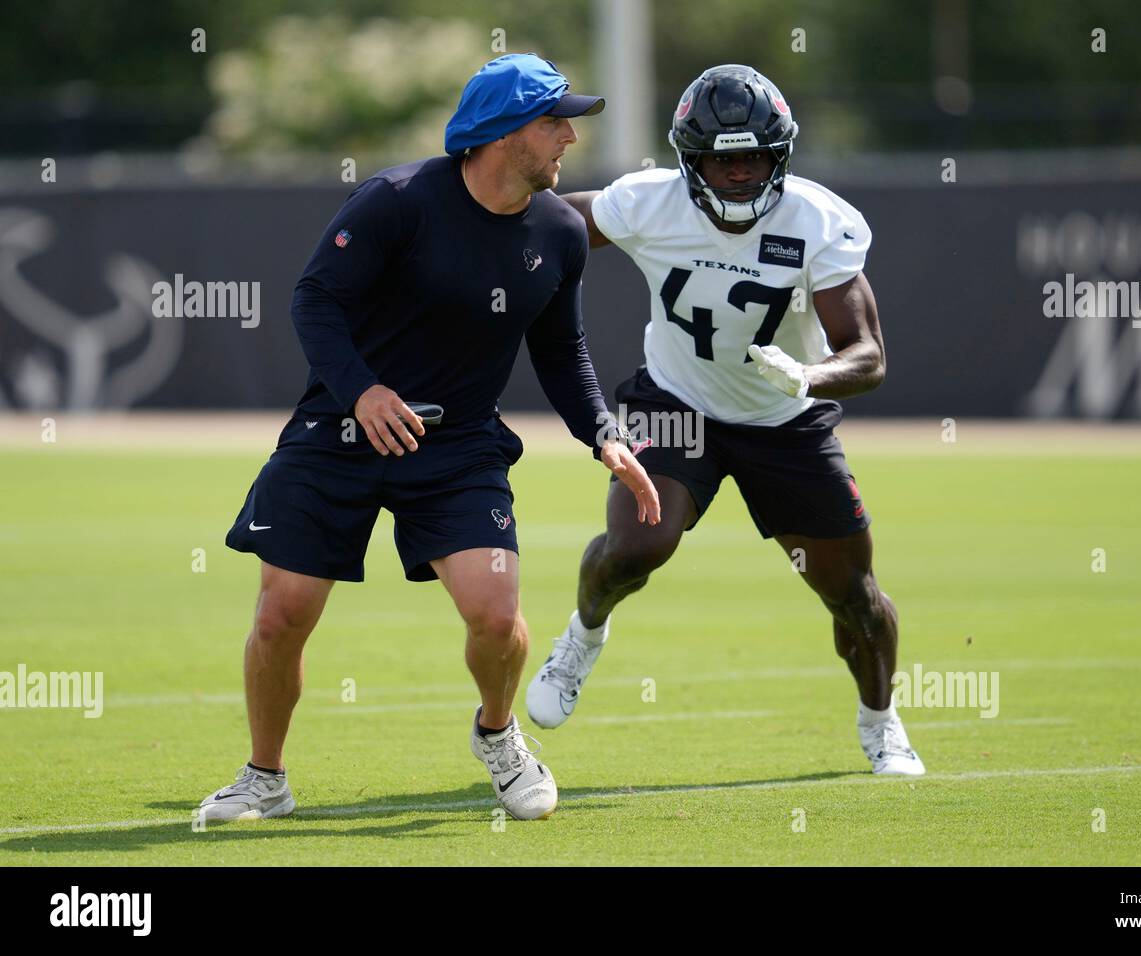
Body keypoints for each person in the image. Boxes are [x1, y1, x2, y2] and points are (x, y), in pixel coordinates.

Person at [198, 53, 661, 824]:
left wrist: (603, 437)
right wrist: (364, 391)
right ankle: (264, 778)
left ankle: (498, 734)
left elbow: (560, 348)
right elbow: (315, 299)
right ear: (507, 133)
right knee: (281, 615)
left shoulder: (558, 230)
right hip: (338, 433)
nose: (569, 140)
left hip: (459, 448)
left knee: (497, 616)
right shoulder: (396, 200)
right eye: (555, 122)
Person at [525, 64, 923, 775]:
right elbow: (540, 226)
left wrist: (808, 374)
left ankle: (880, 719)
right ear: (690, 158)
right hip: (678, 402)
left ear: (781, 155)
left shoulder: (817, 220)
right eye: (721, 158)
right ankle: (582, 638)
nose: (739, 174)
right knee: (637, 546)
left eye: (754, 157)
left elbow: (868, 357)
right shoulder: (648, 203)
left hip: (785, 418)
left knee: (855, 598)